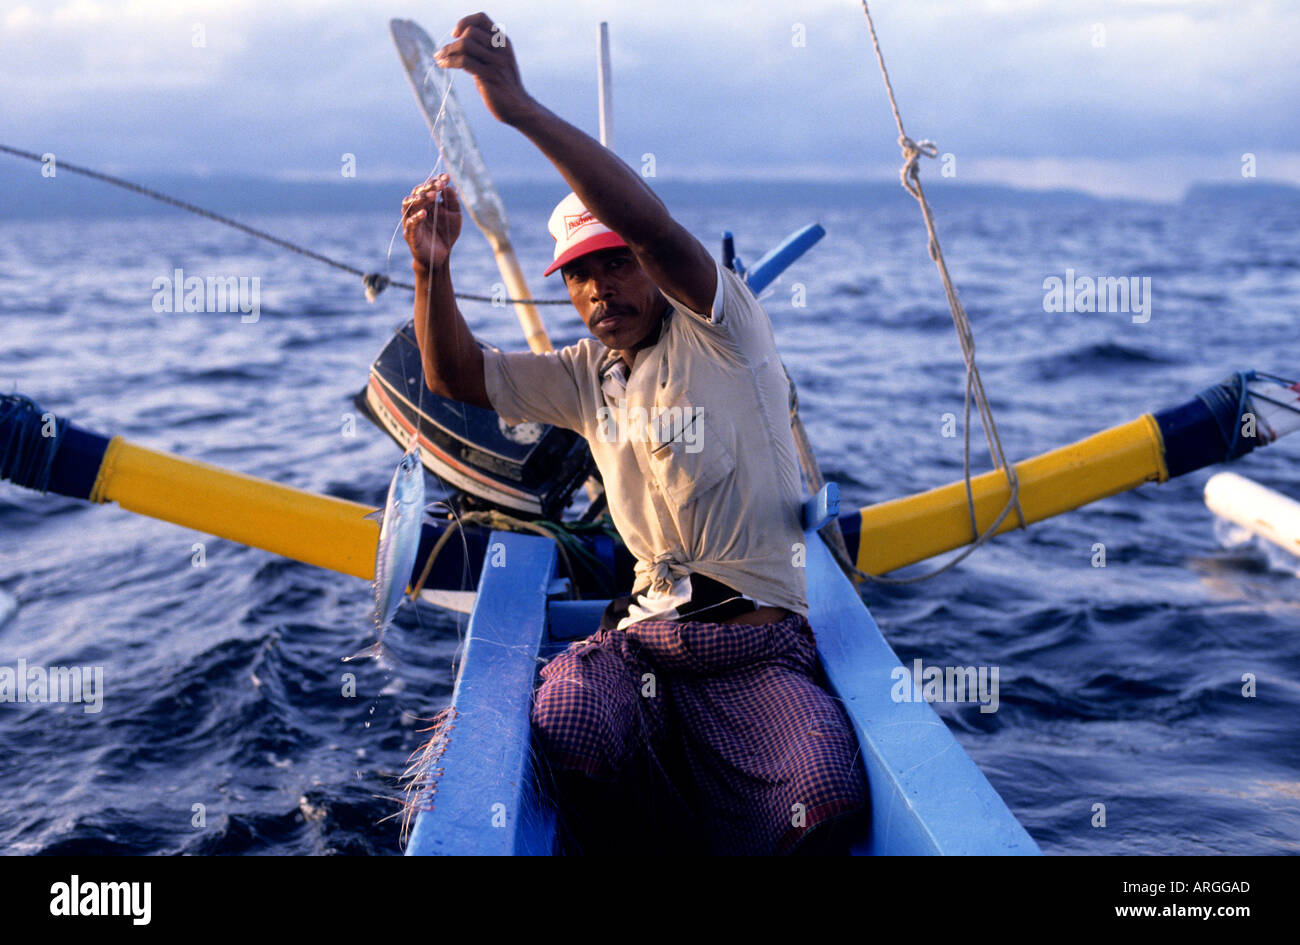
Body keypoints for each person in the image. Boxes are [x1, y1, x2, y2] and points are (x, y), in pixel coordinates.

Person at [401, 12, 867, 855]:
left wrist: (520, 110)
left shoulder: (721, 323)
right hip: (646, 640)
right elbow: (456, 377)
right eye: (579, 275)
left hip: (756, 651)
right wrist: (431, 270)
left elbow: (650, 225)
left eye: (614, 263)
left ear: (648, 264)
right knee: (569, 719)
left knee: (823, 793)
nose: (598, 288)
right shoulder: (587, 375)